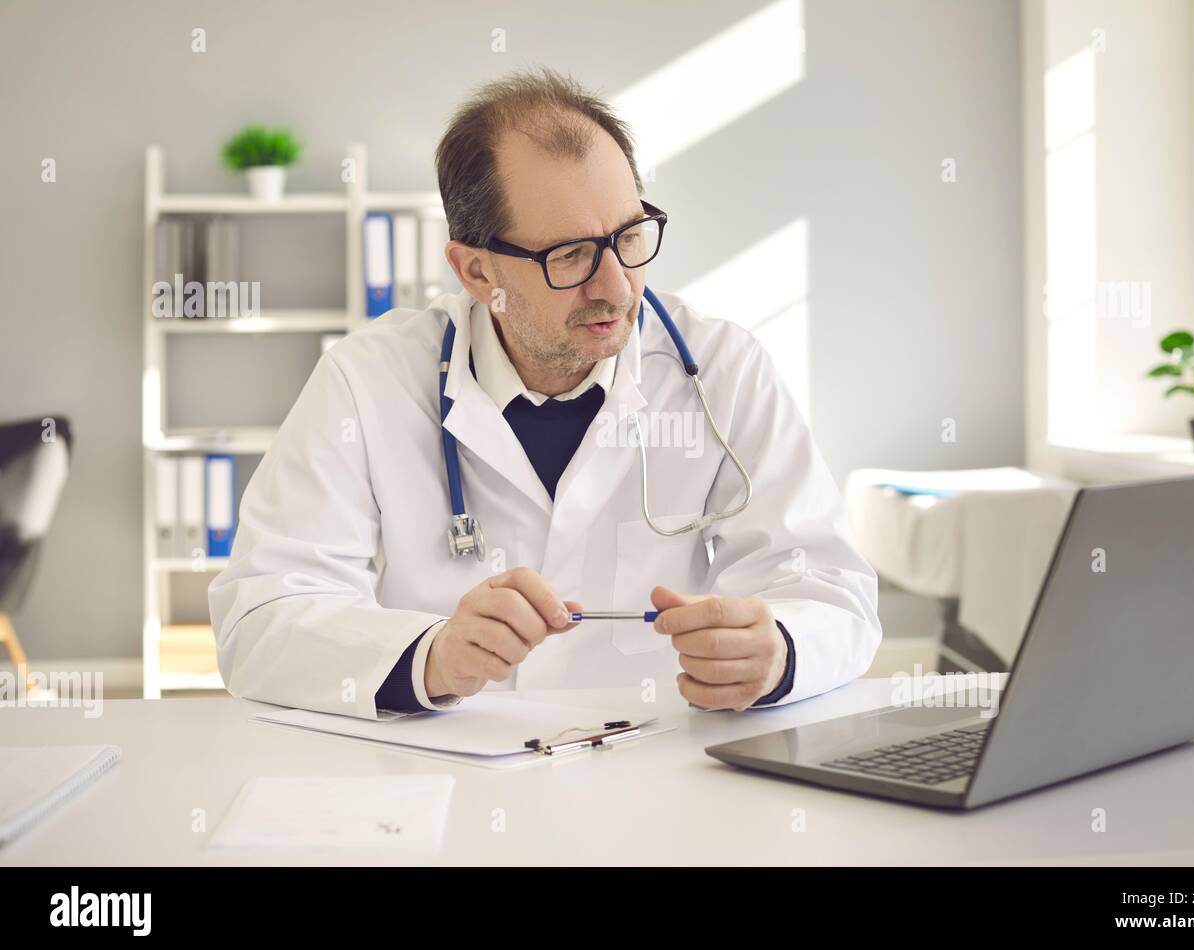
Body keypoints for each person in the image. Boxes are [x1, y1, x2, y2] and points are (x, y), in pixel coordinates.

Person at [209, 68, 881, 719]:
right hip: (446, 780)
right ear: (476, 270)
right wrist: (429, 657)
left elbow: (833, 594)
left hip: (654, 772)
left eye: (628, 237)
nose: (616, 287)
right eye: (569, 256)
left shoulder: (723, 370)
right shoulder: (366, 382)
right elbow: (260, 618)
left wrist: (781, 651)